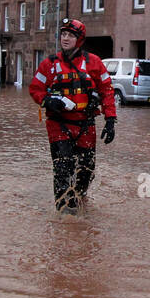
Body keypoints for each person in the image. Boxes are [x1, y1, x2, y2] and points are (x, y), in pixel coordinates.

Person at [28, 19, 117, 213]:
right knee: (63, 168)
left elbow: (107, 91)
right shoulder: (48, 64)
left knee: (86, 170)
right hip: (58, 124)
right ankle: (65, 214)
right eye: (63, 34)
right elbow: (35, 89)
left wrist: (110, 120)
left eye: (70, 35)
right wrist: (46, 100)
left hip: (85, 124)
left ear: (80, 39)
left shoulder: (93, 62)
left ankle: (79, 197)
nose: (65, 38)